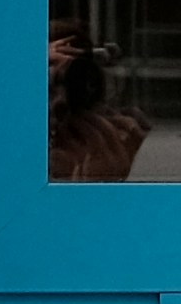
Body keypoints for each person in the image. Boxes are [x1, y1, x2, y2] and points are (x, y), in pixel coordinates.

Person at [48, 13, 149, 182]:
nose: (61, 100)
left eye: (75, 86)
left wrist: (101, 185)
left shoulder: (101, 148)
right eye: (49, 86)